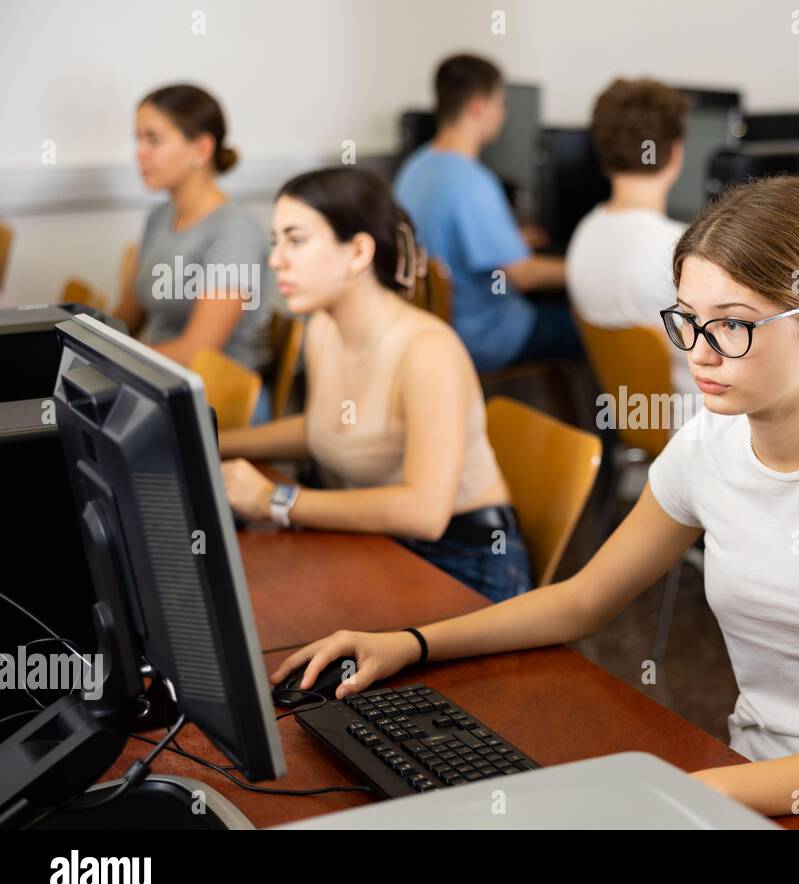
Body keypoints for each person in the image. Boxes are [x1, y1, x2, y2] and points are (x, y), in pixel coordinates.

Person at [271, 176, 799, 828]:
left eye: (732, 325)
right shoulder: (709, 444)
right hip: (754, 788)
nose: (698, 354)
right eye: (686, 321)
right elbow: (584, 600)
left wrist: (700, 791)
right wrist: (413, 642)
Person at [218, 167, 531, 603]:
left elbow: (424, 513)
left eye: (296, 240)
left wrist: (276, 500)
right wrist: (216, 444)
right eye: (276, 242)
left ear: (358, 252)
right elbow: (323, 429)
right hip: (380, 543)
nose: (276, 260)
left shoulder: (427, 351)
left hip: (463, 561)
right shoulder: (323, 329)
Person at [394, 54, 581, 373]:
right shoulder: (473, 182)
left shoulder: (415, 168)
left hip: (431, 330)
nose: (503, 113)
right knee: (591, 328)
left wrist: (510, 237)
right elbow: (523, 275)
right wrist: (582, 269)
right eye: (500, 103)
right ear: (478, 106)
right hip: (483, 338)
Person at [113, 83, 275, 421]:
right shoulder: (159, 218)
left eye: (153, 139)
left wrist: (112, 365)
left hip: (219, 397)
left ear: (201, 148)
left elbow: (198, 350)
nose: (139, 152)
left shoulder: (235, 230)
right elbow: (127, 318)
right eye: (137, 139)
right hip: (159, 382)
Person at [566, 78, 694, 398]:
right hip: (698, 423)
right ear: (676, 153)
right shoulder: (684, 251)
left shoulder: (584, 236)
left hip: (636, 416)